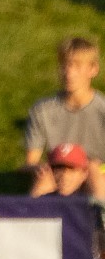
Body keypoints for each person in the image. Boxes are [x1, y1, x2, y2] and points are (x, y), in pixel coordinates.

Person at [25, 37, 105, 200]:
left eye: (77, 66)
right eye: (65, 65)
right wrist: (41, 169)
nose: (69, 72)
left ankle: (100, 222)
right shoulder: (42, 110)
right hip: (58, 169)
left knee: (95, 176)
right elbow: (30, 161)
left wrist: (87, 170)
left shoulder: (102, 110)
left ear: (93, 69)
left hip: (94, 172)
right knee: (42, 184)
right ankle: (29, 219)